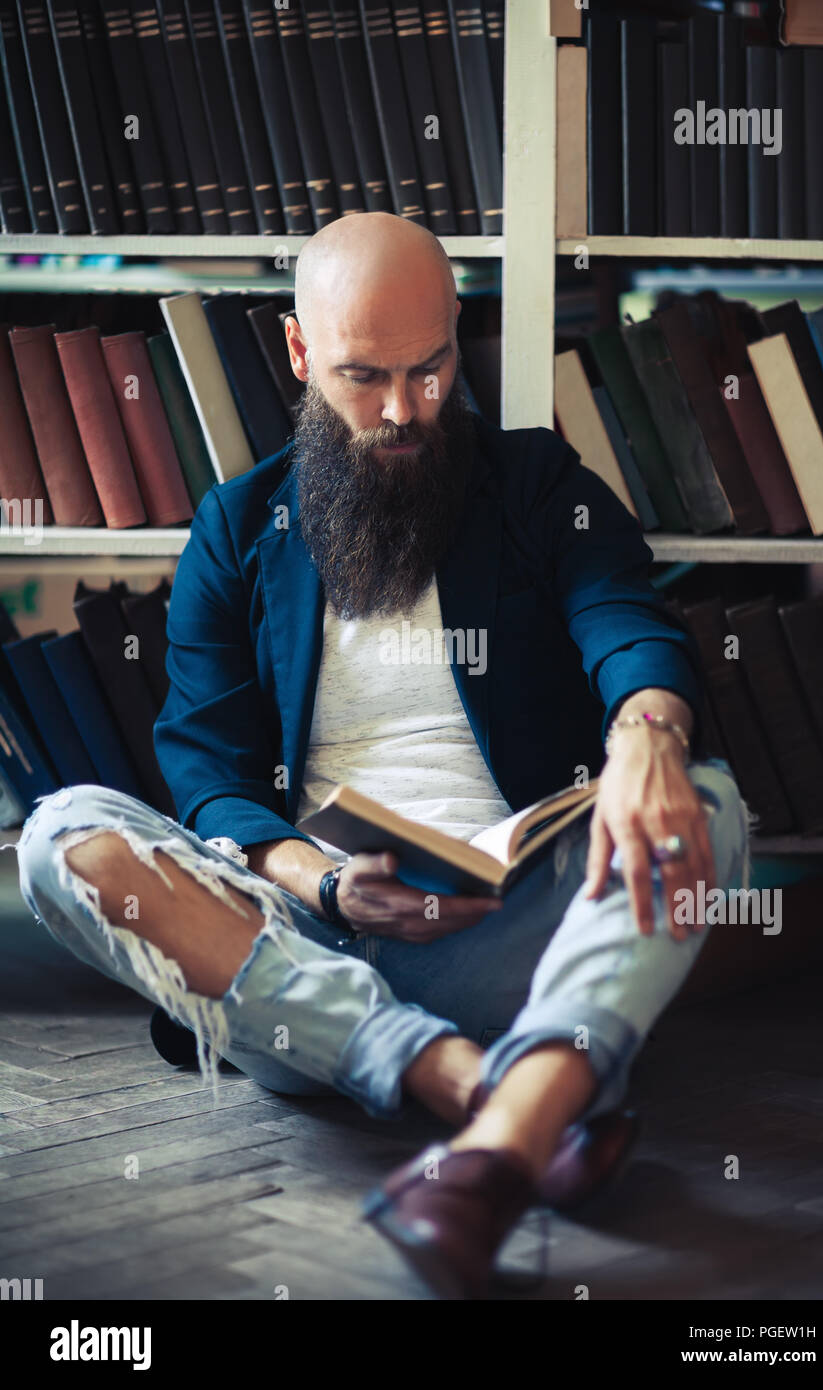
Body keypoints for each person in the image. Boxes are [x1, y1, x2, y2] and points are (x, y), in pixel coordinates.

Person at [15, 212, 748, 1299]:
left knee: (704, 803)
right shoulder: (237, 527)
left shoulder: (535, 482)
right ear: (299, 352)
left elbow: (625, 623)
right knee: (62, 835)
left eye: (429, 368)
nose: (405, 409)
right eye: (364, 377)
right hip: (298, 950)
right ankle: (488, 1094)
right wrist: (321, 882)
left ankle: (485, 1146)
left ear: (455, 336)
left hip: (500, 930)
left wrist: (646, 735)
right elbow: (210, 772)